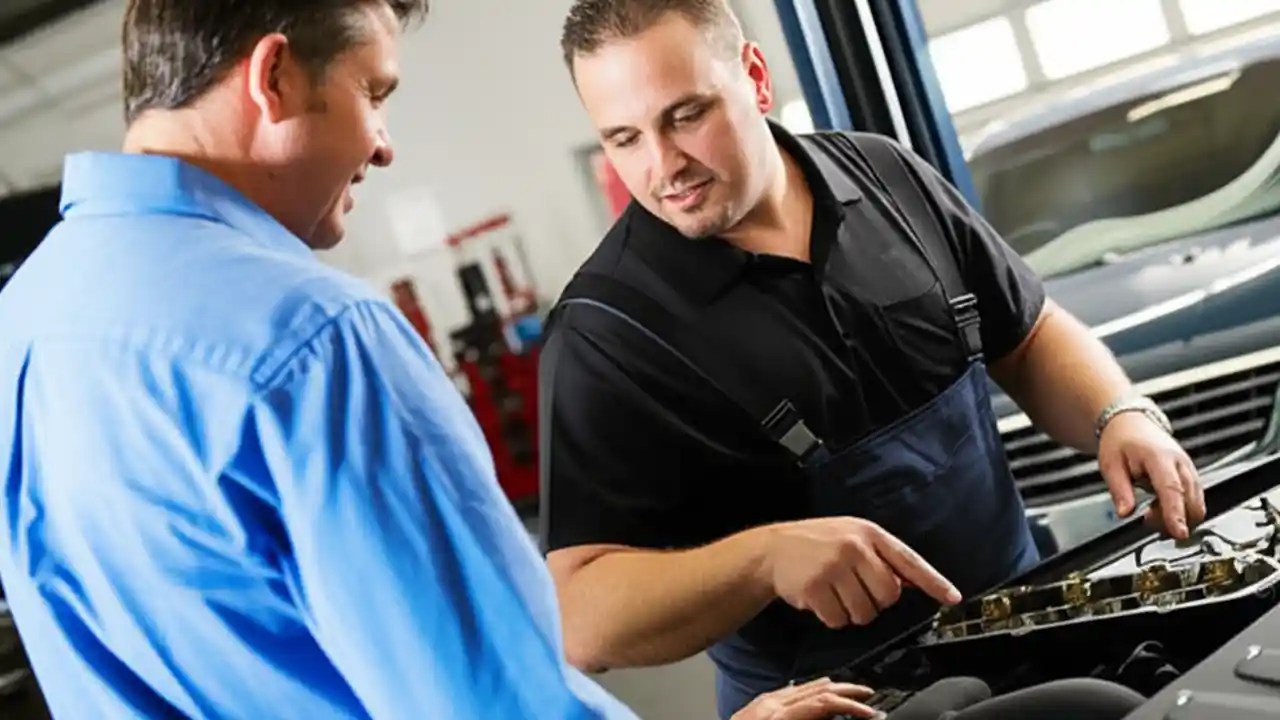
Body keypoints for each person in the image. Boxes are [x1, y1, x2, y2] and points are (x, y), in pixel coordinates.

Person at [0, 1, 878, 718]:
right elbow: (492, 706)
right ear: (272, 78)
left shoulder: (24, 320)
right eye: (373, 93)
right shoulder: (316, 338)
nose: (383, 143)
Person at [540, 1, 1208, 717]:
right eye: (624, 139)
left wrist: (1118, 414)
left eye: (686, 116)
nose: (664, 165)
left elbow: (1030, 332)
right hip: (844, 701)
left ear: (756, 79)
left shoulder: (886, 176)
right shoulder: (605, 335)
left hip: (1034, 622)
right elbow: (581, 615)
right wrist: (764, 559)